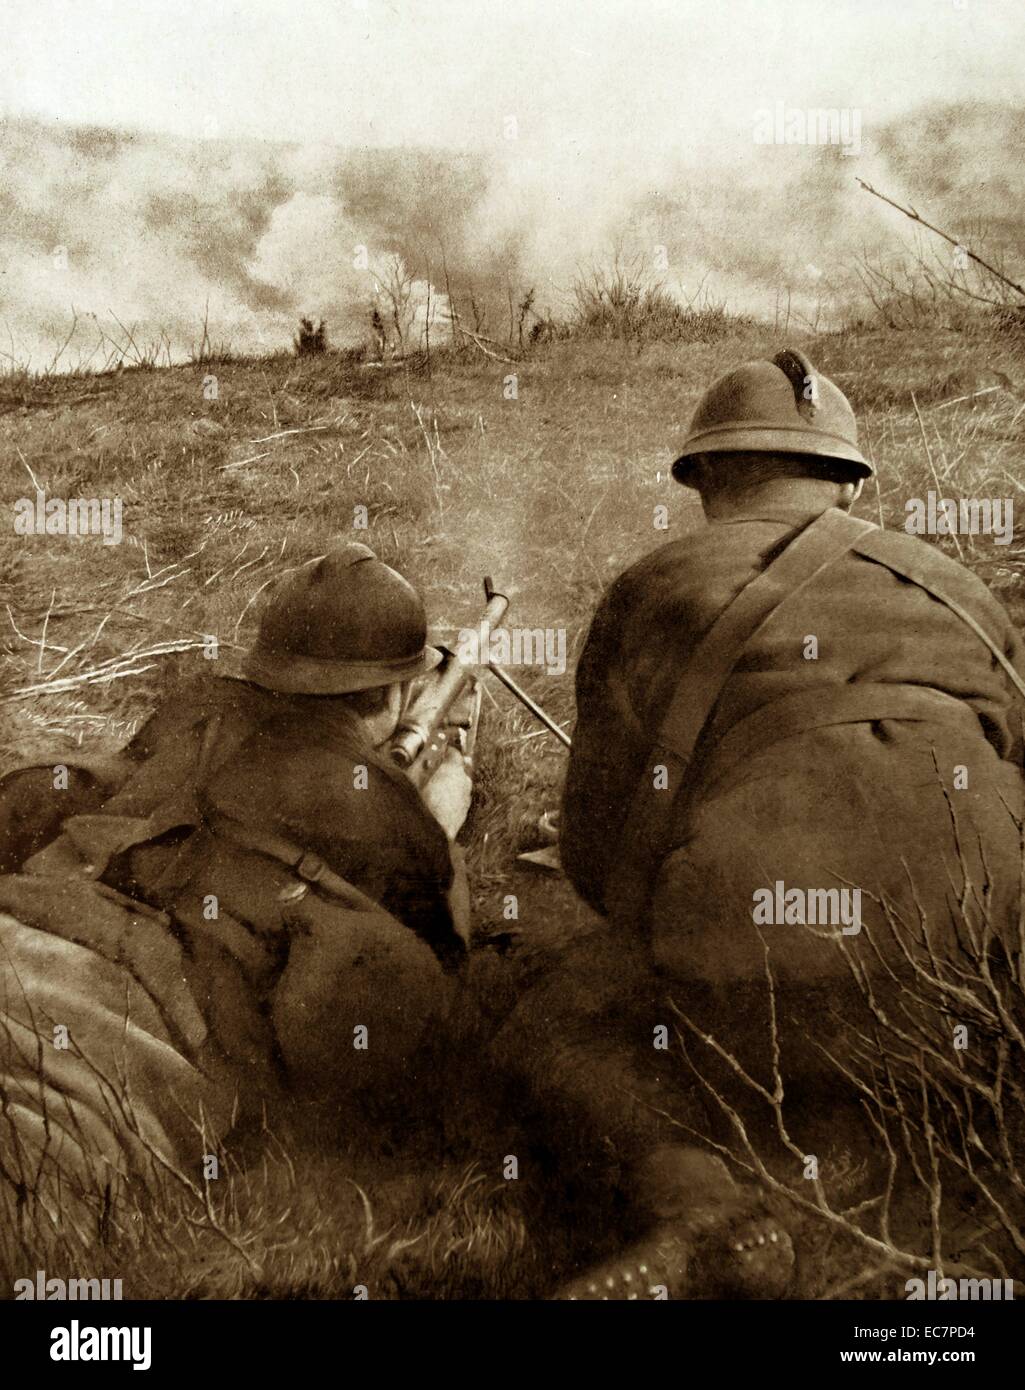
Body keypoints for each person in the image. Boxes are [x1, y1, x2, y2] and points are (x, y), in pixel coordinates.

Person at [533, 347, 1025, 1296]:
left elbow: (595, 857)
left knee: (555, 1023)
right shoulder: (959, 590)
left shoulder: (653, 585)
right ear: (846, 482)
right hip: (981, 993)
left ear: (707, 477)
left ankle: (702, 1209)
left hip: (755, 1002)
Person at [0, 543, 474, 1231]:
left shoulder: (197, 704)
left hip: (34, 920)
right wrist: (443, 824)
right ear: (399, 693)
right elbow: (443, 974)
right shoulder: (384, 810)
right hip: (140, 1011)